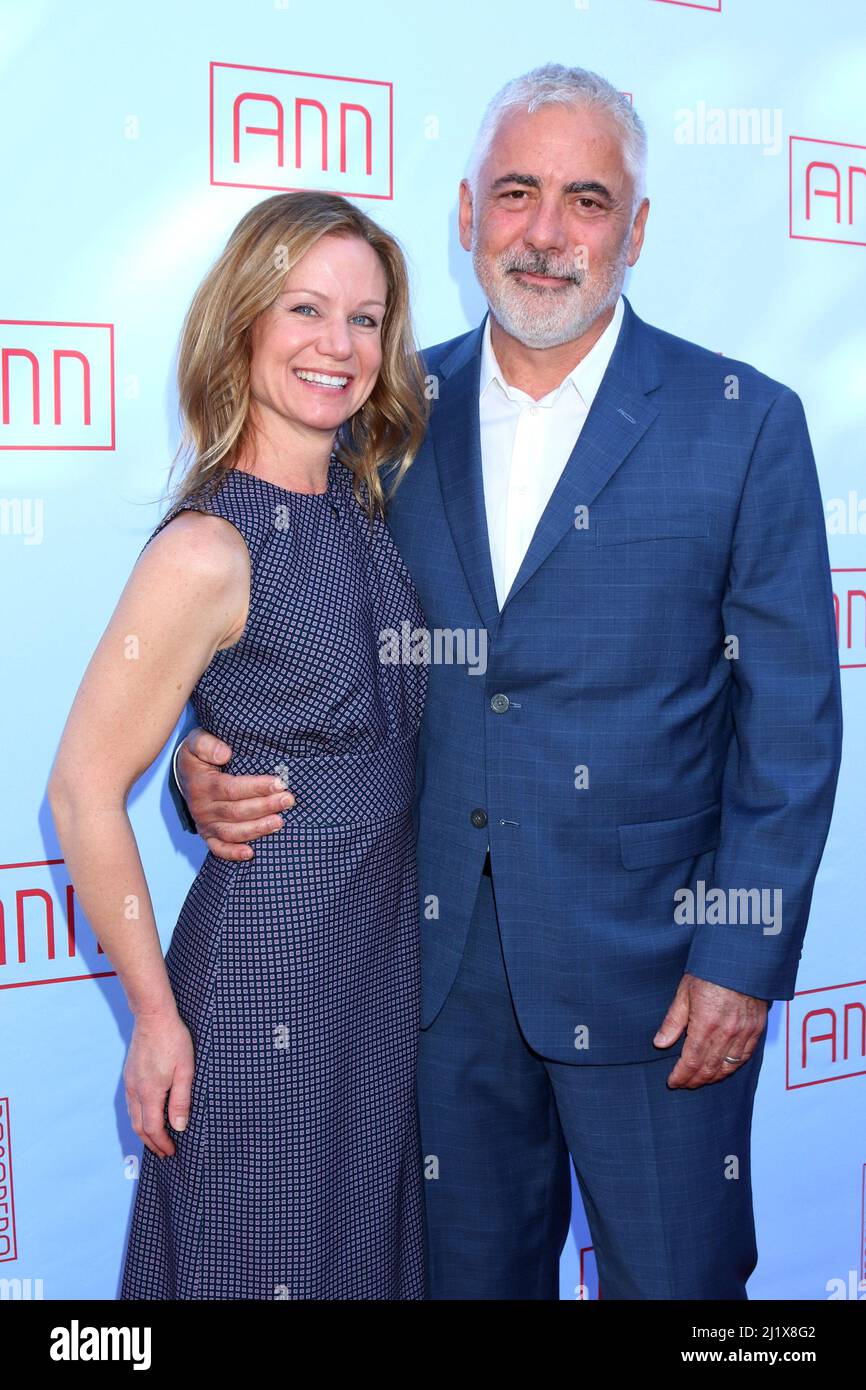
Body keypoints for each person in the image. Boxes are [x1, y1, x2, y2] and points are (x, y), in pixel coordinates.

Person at [172, 65, 843, 1300]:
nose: (545, 234)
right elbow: (289, 638)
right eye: (518, 194)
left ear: (633, 229)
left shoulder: (741, 423)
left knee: (683, 1291)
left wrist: (741, 962)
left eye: (585, 201)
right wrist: (200, 765)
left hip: (660, 984)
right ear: (469, 209)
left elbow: (790, 728)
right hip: (427, 982)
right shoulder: (382, 414)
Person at [47, 189, 430, 1300]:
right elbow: (79, 789)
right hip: (267, 971)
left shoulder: (368, 510)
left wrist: (193, 761)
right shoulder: (206, 546)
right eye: (305, 309)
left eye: (365, 319)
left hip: (375, 978)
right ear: (244, 324)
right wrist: (154, 1016)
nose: (337, 345)